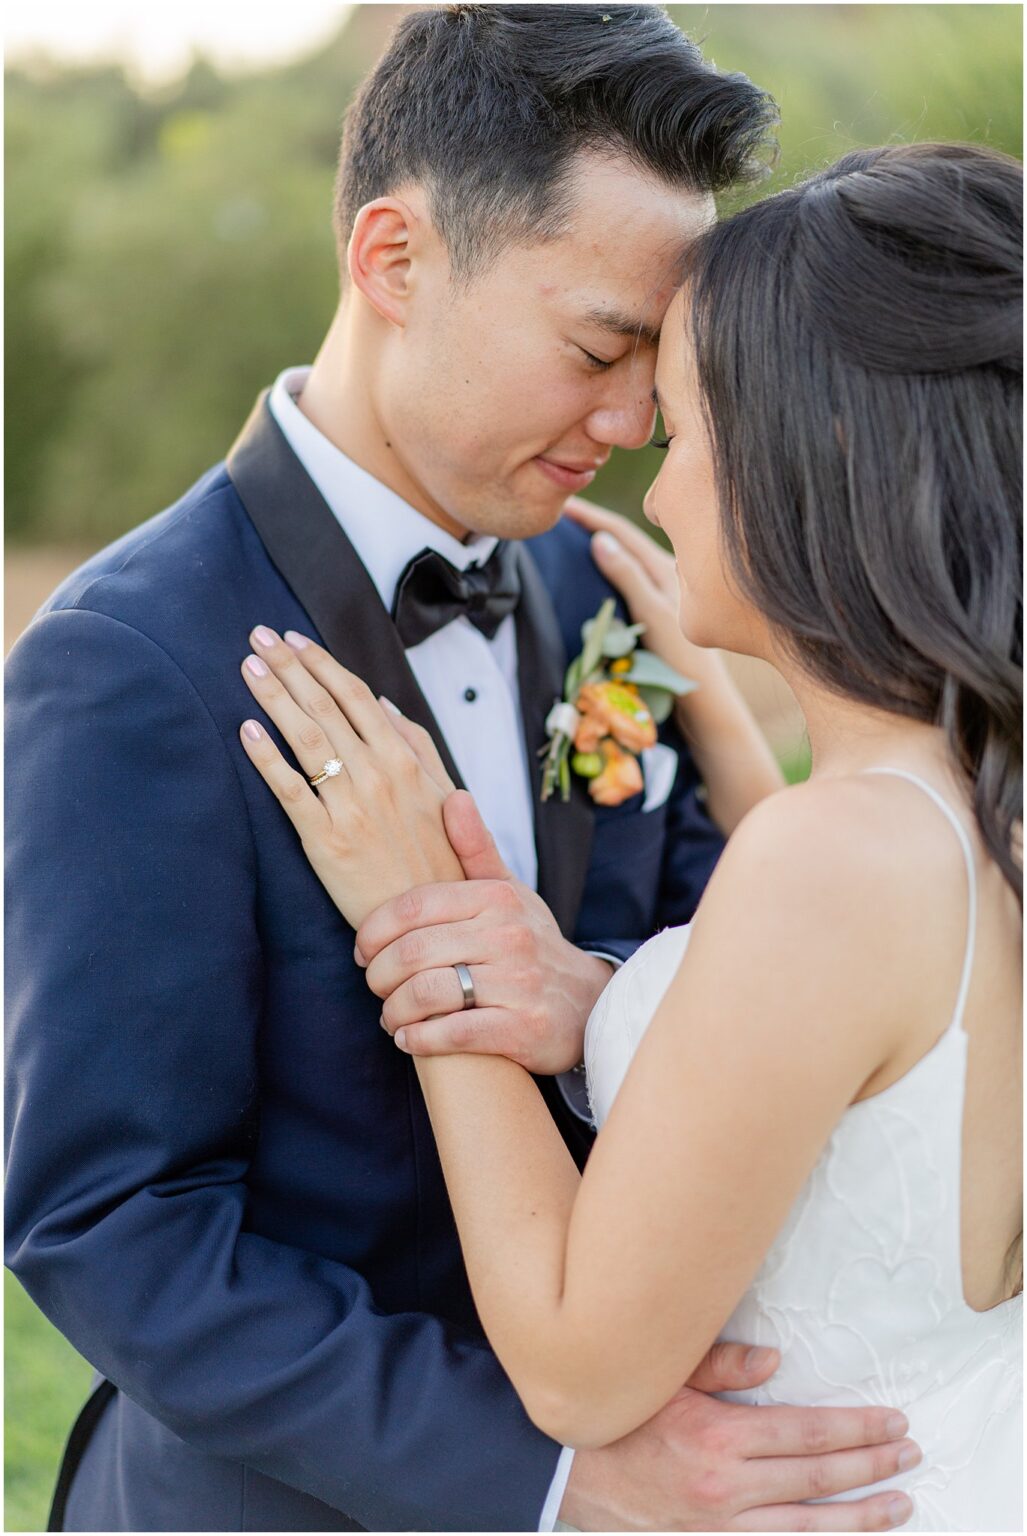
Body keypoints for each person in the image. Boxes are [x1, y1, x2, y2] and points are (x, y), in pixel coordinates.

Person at [5, 8, 918, 1532]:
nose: (631, 423)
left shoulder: (605, 597)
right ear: (394, 259)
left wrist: (587, 1003)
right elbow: (113, 1225)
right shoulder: (129, 660)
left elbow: (725, 974)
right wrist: (552, 1475)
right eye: (598, 349)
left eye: (655, 367)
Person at [230, 141, 1023, 1534]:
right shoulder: (964, 812)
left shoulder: (827, 866)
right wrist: (713, 723)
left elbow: (578, 1369)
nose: (649, 490)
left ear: (812, 454)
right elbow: (878, 1031)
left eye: (681, 432)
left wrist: (429, 924)